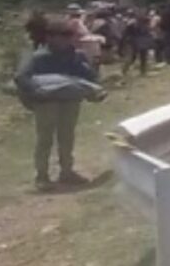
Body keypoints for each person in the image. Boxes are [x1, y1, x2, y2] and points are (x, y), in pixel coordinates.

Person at [15, 19, 104, 190]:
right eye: (63, 35)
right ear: (49, 37)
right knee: (45, 139)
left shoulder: (76, 55)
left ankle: (67, 171)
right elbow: (21, 77)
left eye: (69, 35)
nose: (67, 39)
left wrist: (91, 87)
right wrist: (37, 91)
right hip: (47, 102)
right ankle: (42, 176)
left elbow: (89, 77)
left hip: (70, 101)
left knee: (67, 137)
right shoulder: (37, 57)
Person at [120, 10, 155, 76]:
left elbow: (125, 34)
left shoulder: (133, 24)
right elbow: (148, 34)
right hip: (139, 42)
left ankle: (125, 70)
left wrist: (123, 43)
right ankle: (142, 71)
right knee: (141, 57)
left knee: (134, 57)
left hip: (135, 42)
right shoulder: (141, 25)